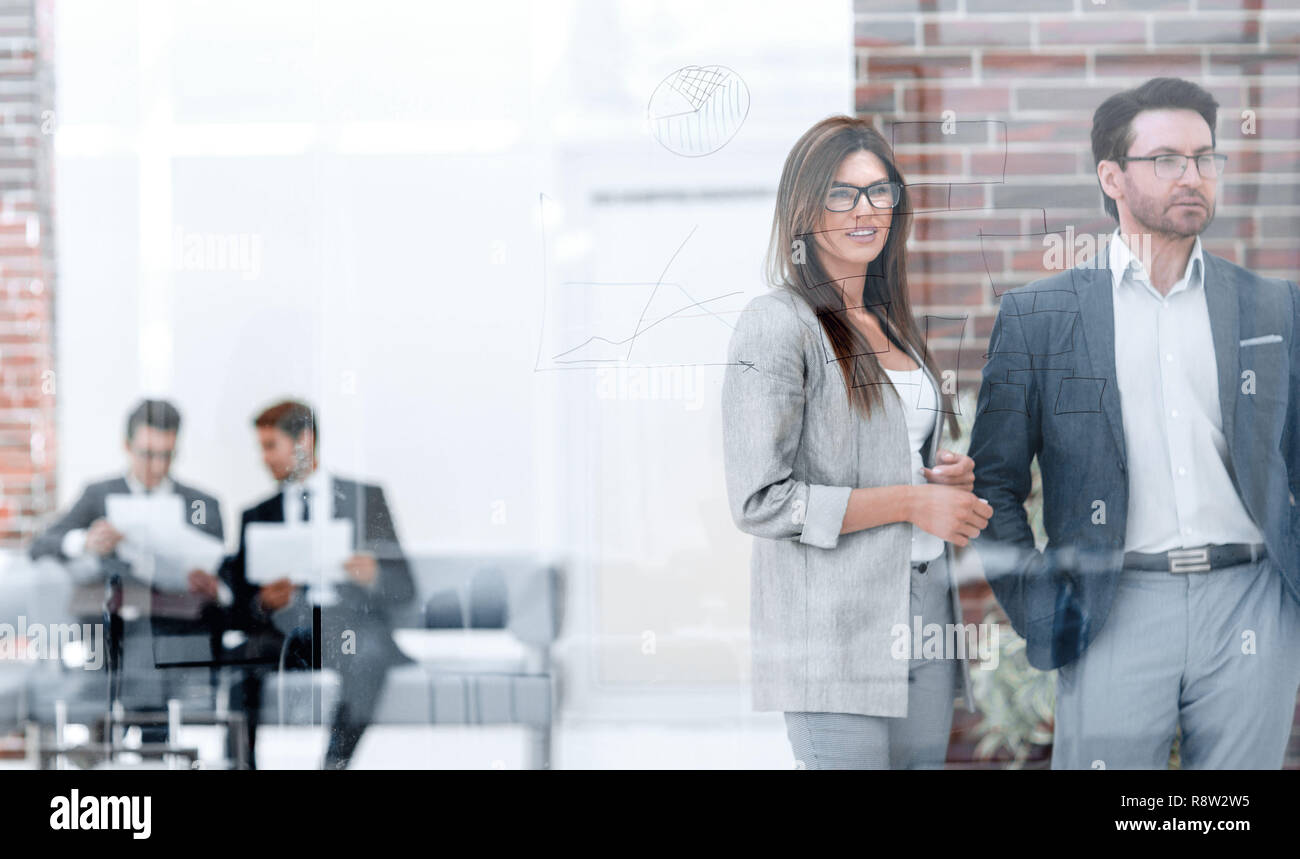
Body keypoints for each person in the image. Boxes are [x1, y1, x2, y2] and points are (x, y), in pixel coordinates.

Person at [969, 77, 1300, 769]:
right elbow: (992, 485)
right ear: (1112, 177)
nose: (1194, 176)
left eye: (1206, 157)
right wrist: (1044, 612)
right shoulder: (1040, 316)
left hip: (1253, 604)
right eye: (1168, 159)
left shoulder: (1274, 307)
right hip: (1111, 604)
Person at [721, 115, 993, 769]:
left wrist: (941, 481)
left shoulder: (892, 325)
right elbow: (760, 499)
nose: (866, 209)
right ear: (803, 208)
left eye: (879, 192)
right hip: (832, 631)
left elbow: (894, 454)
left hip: (925, 609)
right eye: (842, 193)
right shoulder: (778, 323)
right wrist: (906, 502)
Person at [214, 399, 414, 769]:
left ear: (304, 441)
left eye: (270, 446)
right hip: (286, 630)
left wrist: (373, 576)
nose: (264, 458)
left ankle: (332, 765)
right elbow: (239, 606)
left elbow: (405, 588)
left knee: (368, 656)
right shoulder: (257, 515)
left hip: (348, 627)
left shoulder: (364, 500)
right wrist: (263, 602)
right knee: (242, 664)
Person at [29, 399, 225, 744]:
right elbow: (42, 544)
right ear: (127, 446)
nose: (157, 465)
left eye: (167, 455)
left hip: (174, 626)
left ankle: (132, 741)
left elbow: (223, 577)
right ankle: (117, 739)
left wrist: (214, 586)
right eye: (148, 453)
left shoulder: (201, 504)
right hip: (109, 624)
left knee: (149, 651)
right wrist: (85, 540)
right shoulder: (100, 494)